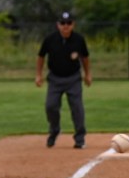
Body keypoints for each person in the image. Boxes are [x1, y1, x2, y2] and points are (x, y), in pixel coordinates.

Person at [36, 11, 92, 149]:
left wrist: (88, 74)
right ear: (58, 25)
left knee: (77, 107)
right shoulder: (50, 39)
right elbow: (41, 56)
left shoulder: (79, 39)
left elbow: (85, 57)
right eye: (62, 23)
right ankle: (54, 131)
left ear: (73, 24)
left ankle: (80, 138)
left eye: (68, 23)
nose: (65, 26)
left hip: (73, 78)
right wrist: (38, 75)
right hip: (55, 79)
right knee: (51, 106)